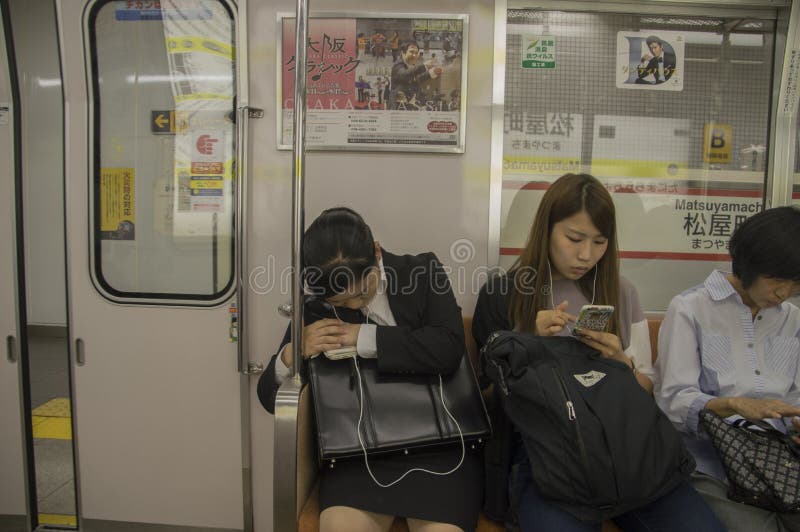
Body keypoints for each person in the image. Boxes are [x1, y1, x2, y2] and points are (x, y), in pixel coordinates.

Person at [472, 173, 724, 531]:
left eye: (599, 241)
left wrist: (620, 362)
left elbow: (646, 388)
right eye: (573, 238)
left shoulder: (621, 291)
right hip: (547, 456)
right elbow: (485, 398)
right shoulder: (503, 293)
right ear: (546, 229)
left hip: (627, 447)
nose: (586, 255)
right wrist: (525, 342)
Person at [257, 207, 482, 532]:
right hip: (356, 450)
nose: (356, 306)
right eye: (343, 303)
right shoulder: (316, 307)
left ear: (376, 252)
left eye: (362, 293)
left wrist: (363, 336)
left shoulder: (423, 271)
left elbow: (447, 348)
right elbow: (269, 399)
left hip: (440, 444)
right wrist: (292, 355)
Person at [655, 206, 800, 532]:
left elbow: (795, 399)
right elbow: (673, 401)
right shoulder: (691, 309)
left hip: (780, 464)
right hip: (711, 464)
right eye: (777, 281)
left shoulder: (792, 319)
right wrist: (733, 405)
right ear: (748, 264)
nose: (784, 294)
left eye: (795, 284)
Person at [390, 41, 441, 110]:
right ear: (403, 53)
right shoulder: (398, 65)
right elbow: (404, 75)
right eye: (411, 52)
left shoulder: (411, 66)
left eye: (416, 53)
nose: (414, 55)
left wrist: (431, 73)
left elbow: (416, 79)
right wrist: (424, 66)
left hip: (408, 105)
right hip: (398, 107)